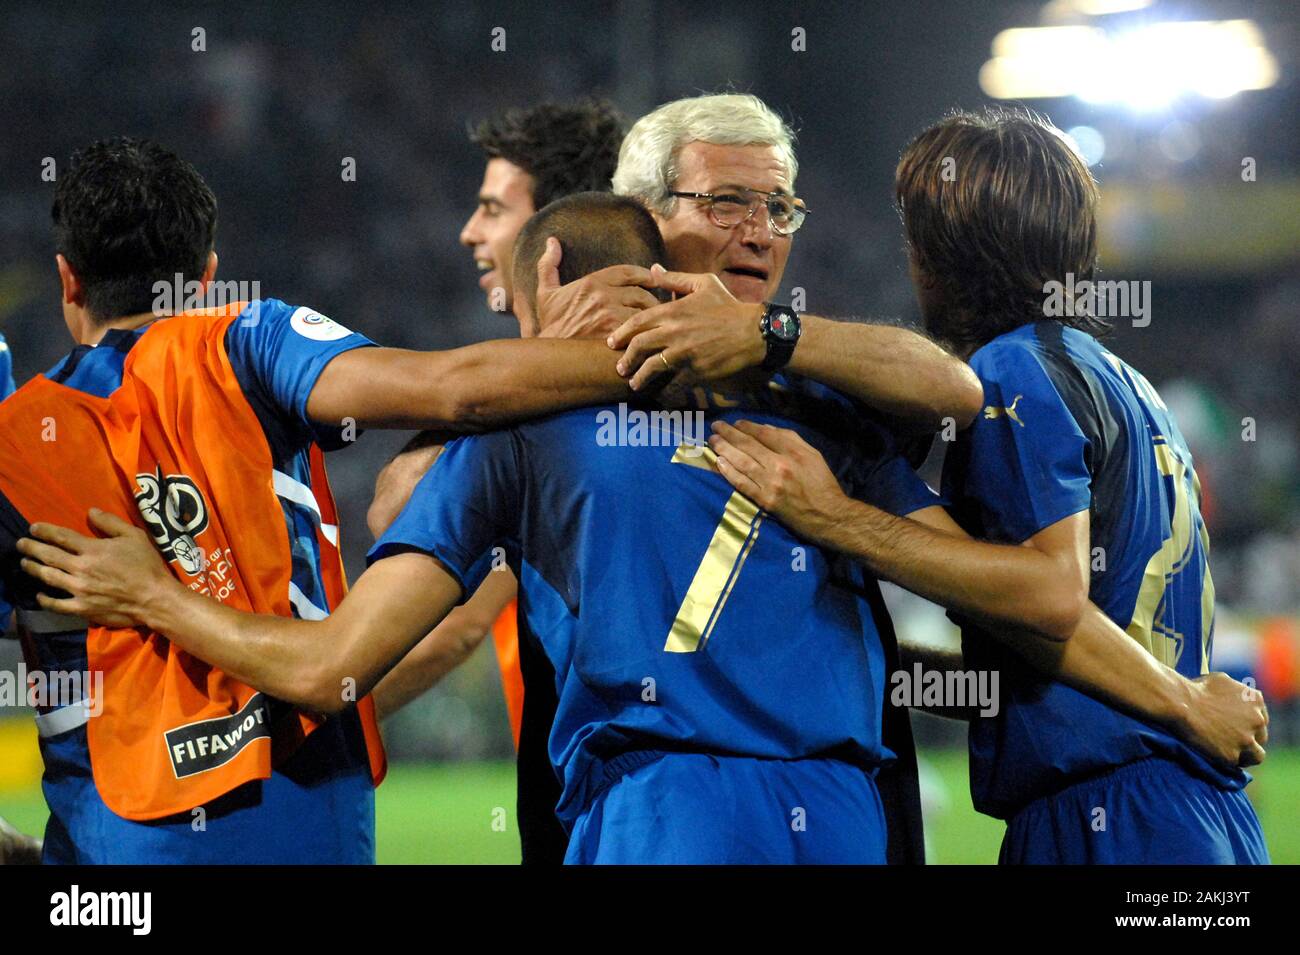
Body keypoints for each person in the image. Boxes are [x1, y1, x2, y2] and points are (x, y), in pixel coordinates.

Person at [371, 92, 987, 864]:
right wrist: (562, 361)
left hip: (836, 798)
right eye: (728, 203)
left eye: (779, 207)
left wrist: (771, 332)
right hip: (642, 802)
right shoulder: (543, 409)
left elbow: (958, 391)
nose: (760, 232)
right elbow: (398, 505)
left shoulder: (812, 384)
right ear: (642, 218)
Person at [0, 137, 639, 864]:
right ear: (206, 276)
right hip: (315, 810)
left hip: (125, 838)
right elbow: (452, 388)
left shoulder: (16, 439)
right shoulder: (252, 338)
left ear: (67, 279)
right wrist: (678, 348)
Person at [701, 108, 1270, 864]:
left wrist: (831, 515)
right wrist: (869, 663)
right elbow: (1036, 667)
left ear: (937, 256)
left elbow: (1049, 599)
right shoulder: (1123, 382)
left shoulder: (1012, 371)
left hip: (1112, 810)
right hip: (1185, 809)